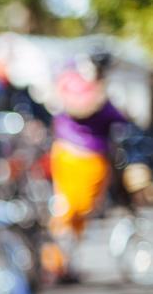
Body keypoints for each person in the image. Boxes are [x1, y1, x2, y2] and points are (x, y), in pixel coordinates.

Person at [44, 53, 129, 281]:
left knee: (80, 215)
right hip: (73, 156)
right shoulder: (72, 83)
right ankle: (56, 263)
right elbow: (78, 108)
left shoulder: (101, 89)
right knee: (67, 211)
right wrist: (98, 93)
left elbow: (121, 118)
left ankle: (67, 263)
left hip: (93, 160)